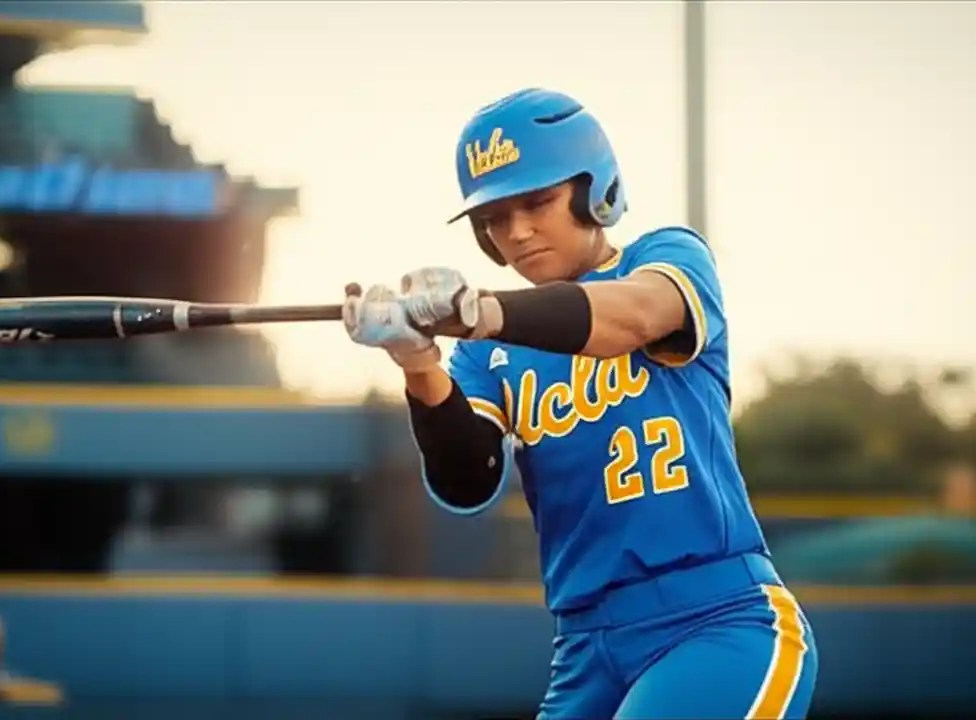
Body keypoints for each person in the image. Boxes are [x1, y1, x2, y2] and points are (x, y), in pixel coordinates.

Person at [341, 88, 819, 719]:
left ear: (596, 189)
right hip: (584, 648)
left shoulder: (666, 256)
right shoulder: (486, 353)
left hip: (718, 621)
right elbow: (467, 483)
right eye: (494, 217)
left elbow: (636, 316)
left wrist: (479, 311)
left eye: (536, 201)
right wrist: (418, 363)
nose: (516, 232)